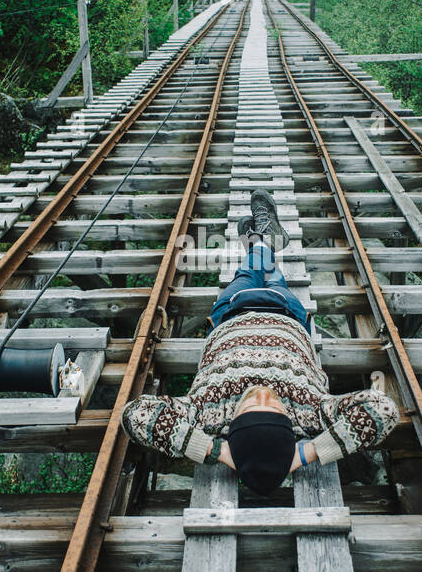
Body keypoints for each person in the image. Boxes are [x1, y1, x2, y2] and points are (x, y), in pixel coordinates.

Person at [122, 190, 399, 496]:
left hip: (232, 310)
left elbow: (136, 415)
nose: (265, 393)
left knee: (246, 271)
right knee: (271, 274)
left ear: (233, 424)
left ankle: (258, 241)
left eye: (252, 404)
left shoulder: (205, 412)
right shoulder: (312, 411)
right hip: (285, 310)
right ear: (289, 424)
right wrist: (304, 454)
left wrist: (218, 451)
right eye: (276, 406)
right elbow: (382, 410)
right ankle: (260, 240)